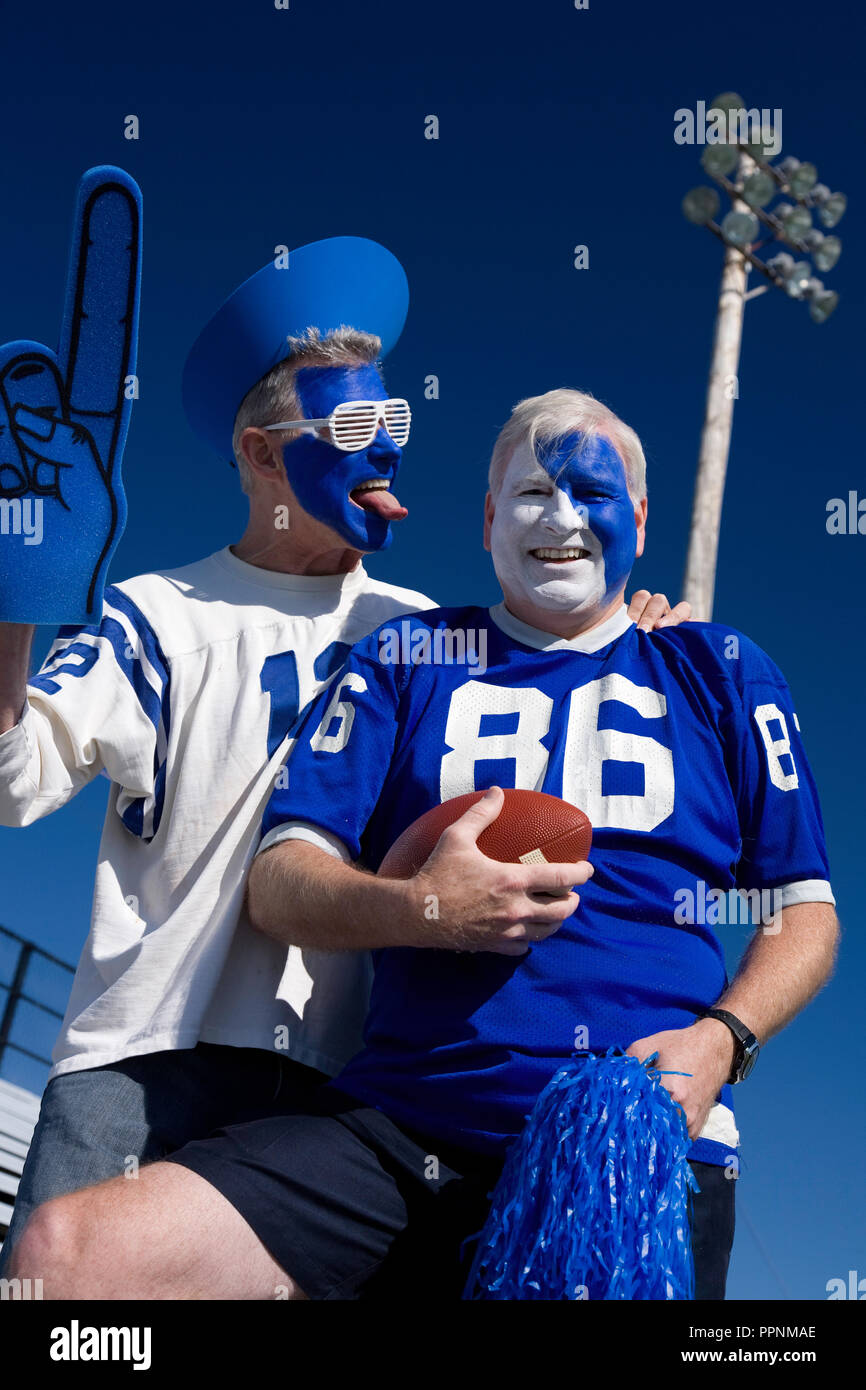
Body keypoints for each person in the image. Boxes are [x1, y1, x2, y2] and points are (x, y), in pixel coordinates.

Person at [8, 388, 837, 1300]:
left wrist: (723, 1042)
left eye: (594, 495)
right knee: (69, 1264)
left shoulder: (720, 668)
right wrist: (422, 908)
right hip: (397, 1126)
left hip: (628, 1133)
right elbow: (281, 881)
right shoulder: (407, 654)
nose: (561, 517)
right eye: (531, 494)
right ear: (487, 519)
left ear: (639, 516)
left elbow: (802, 916)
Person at [0, 196, 691, 1264]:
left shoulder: (428, 634)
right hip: (144, 1067)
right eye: (359, 431)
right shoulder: (157, 614)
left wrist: (627, 624)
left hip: (340, 1102)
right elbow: (10, 782)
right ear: (262, 456)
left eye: (398, 427)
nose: (389, 458)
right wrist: (19, 591)